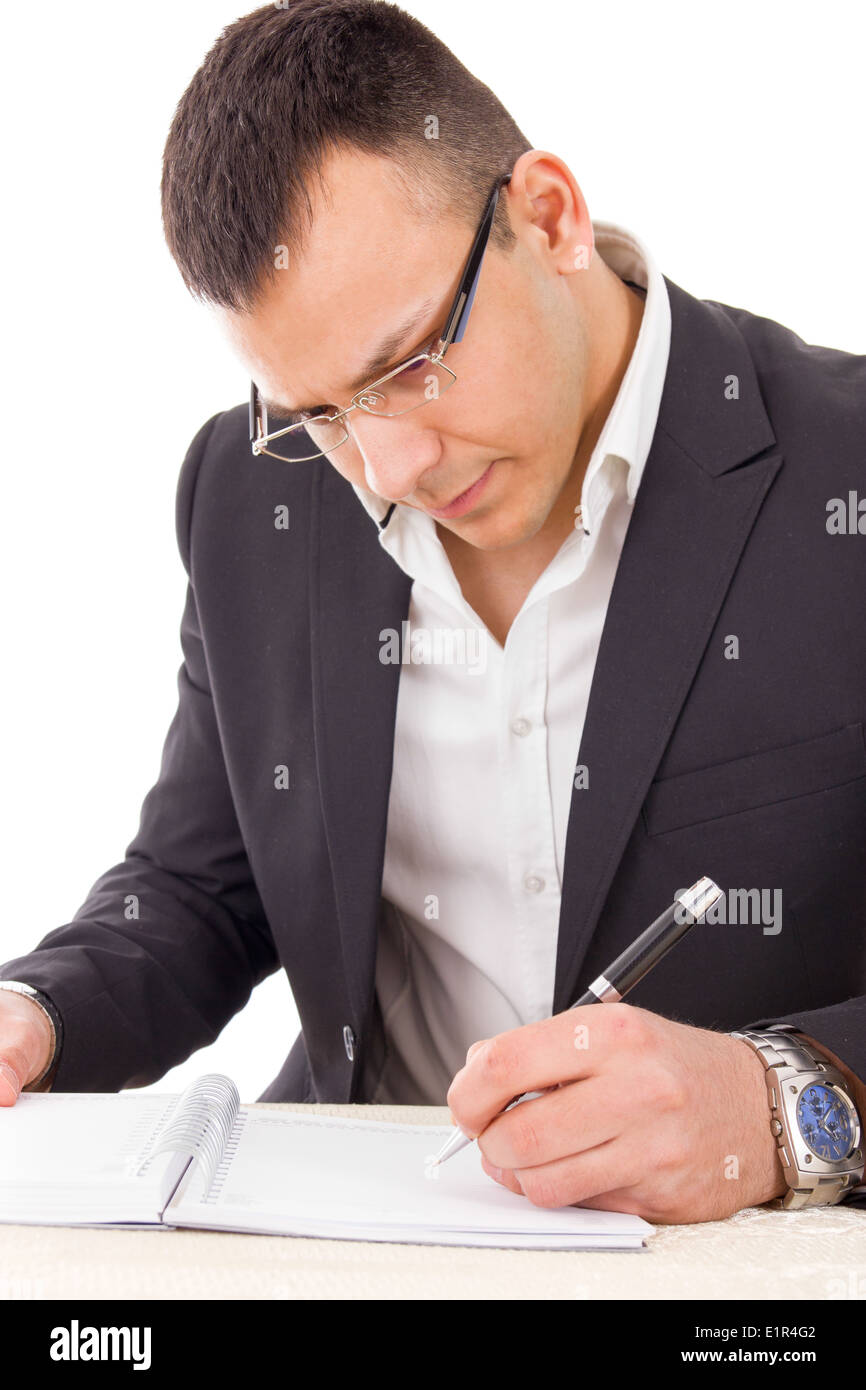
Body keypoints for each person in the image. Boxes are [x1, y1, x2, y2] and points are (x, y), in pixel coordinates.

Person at [1, 0, 864, 1225]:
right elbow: (203, 884)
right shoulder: (256, 493)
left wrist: (782, 1103)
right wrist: (34, 1013)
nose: (389, 466)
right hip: (360, 1235)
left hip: (732, 1269)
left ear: (548, 217)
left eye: (410, 363)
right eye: (321, 412)